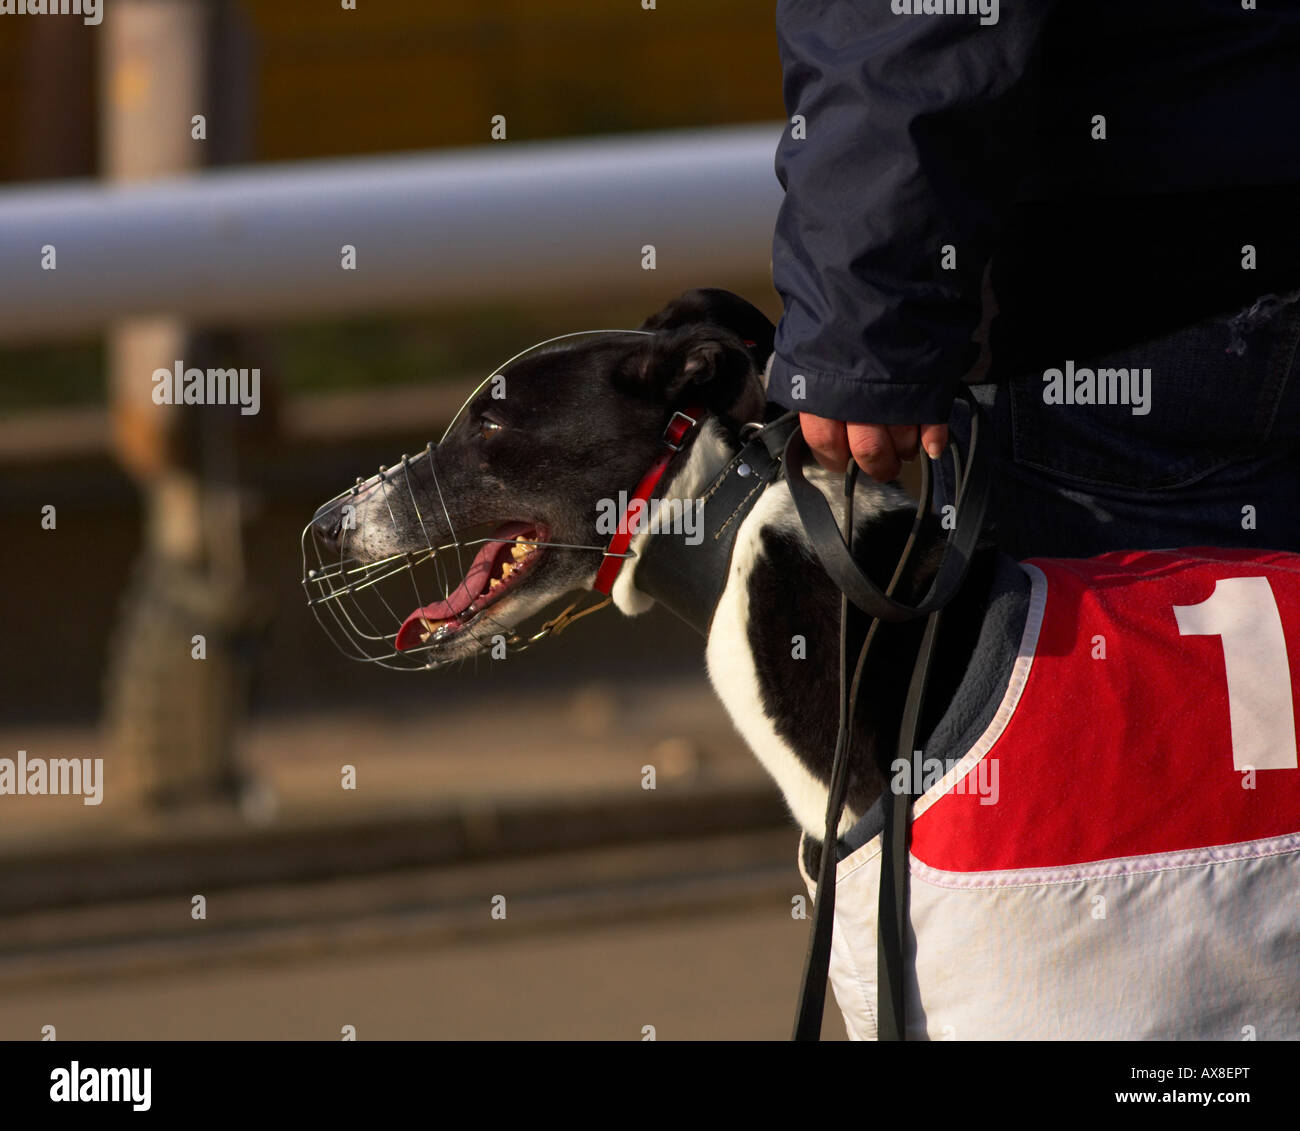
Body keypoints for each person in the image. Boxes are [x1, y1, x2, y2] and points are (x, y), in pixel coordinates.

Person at [768, 0, 1300, 559]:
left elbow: (913, 27)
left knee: (1118, 638)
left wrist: (858, 331)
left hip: (1118, 319)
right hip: (1213, 241)